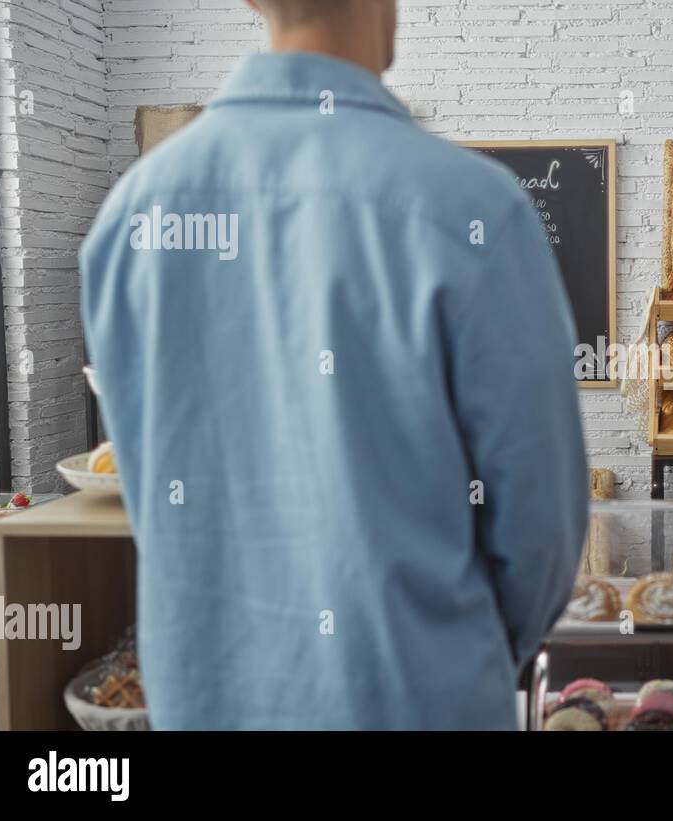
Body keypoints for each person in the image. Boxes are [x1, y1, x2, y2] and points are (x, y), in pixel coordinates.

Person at [79, 0, 588, 729]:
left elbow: (151, 492)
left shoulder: (132, 219)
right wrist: (451, 652)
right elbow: (541, 535)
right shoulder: (474, 211)